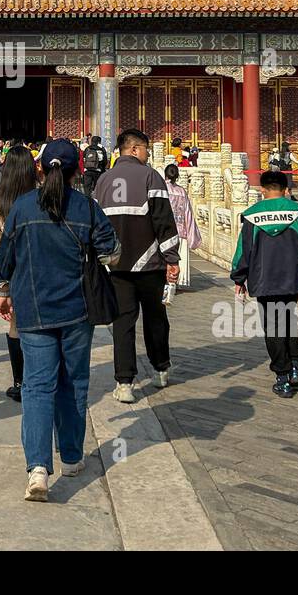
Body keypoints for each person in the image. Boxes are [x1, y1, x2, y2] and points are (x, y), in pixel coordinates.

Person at [0, 139, 118, 502]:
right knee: (73, 382)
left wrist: (4, 290)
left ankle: (37, 468)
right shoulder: (87, 208)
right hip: (77, 310)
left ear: (39, 168)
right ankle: (71, 455)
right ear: (77, 170)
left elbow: (5, 259)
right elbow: (111, 251)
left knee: (36, 386)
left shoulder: (21, 207)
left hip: (33, 310)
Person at [94, 128, 180, 402]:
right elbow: (163, 221)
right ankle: (160, 368)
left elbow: (96, 226)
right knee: (155, 318)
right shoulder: (150, 176)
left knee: (123, 323)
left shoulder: (103, 181)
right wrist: (172, 258)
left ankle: (124, 382)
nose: (147, 154)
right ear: (133, 149)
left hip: (116, 266)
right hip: (149, 263)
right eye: (145, 149)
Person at [230, 170, 298, 399]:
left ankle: (282, 376)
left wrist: (239, 278)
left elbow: (244, 250)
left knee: (273, 326)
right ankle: (294, 366)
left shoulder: (252, 216)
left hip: (263, 278)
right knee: (289, 320)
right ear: (285, 189)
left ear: (262, 189)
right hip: (291, 277)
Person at [0, 145, 39, 401]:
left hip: (11, 269)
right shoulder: (40, 195)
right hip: (38, 267)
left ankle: (20, 382)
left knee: (16, 324)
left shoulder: (0, 199)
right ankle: (38, 378)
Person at [162, 163, 202, 292]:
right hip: (180, 230)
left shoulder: (161, 189)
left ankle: (164, 281)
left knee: (164, 257)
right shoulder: (181, 191)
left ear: (165, 174)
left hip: (164, 230)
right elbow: (188, 214)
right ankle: (176, 281)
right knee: (178, 258)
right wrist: (192, 235)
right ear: (177, 176)